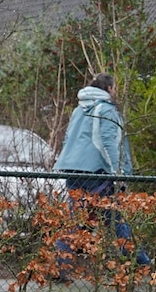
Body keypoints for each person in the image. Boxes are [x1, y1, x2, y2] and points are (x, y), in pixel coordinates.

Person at [53, 73, 151, 268]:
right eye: (114, 88)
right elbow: (107, 142)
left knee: (78, 219)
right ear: (108, 89)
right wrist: (119, 173)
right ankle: (140, 262)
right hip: (97, 173)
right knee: (115, 217)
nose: (115, 91)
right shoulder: (105, 109)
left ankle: (58, 263)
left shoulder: (78, 110)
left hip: (74, 170)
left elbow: (68, 140)